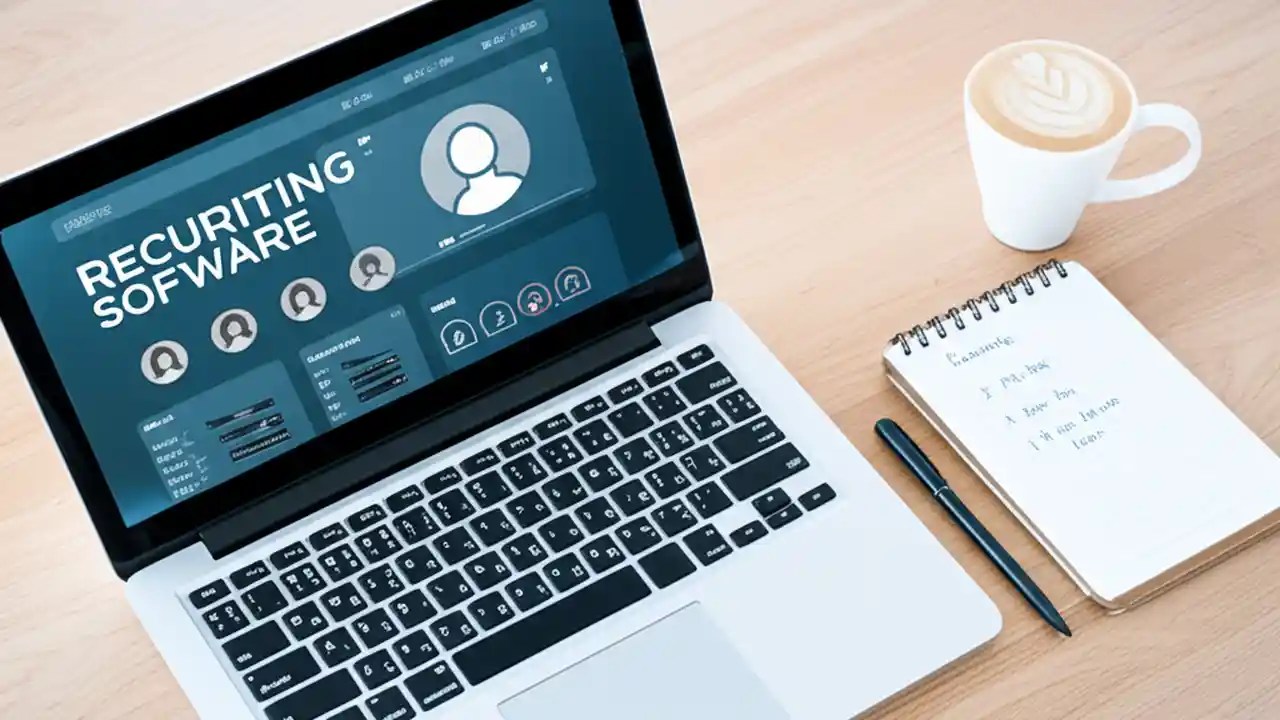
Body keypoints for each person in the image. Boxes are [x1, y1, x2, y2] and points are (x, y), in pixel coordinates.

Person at [448, 123, 524, 216]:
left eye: (475, 147)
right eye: (464, 151)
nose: (472, 154)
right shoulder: (465, 204)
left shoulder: (512, 183)